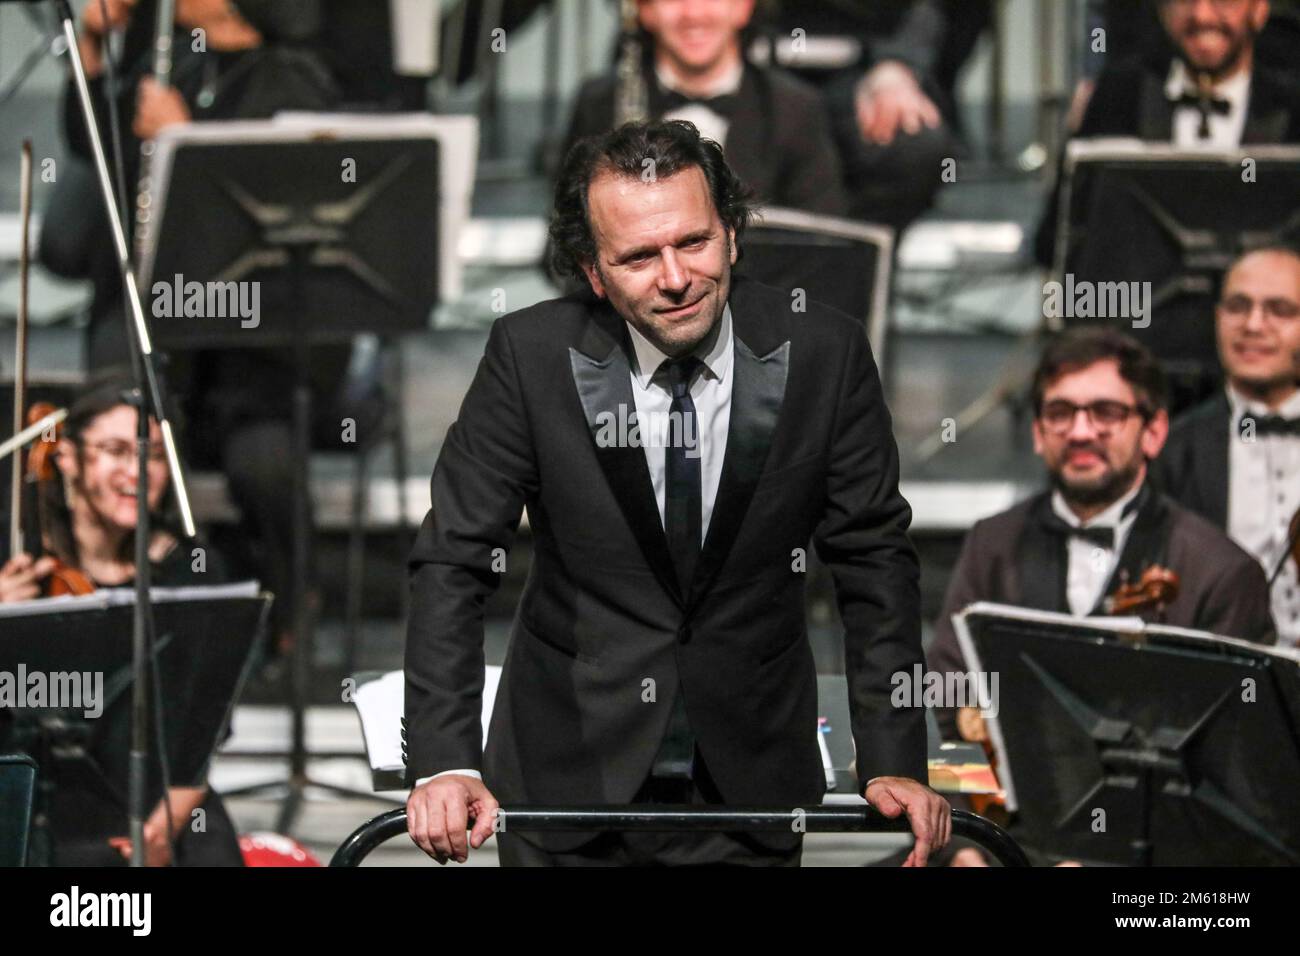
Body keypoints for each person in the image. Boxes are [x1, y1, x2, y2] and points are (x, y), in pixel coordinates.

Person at [404, 120, 949, 866]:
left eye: (693, 242)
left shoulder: (827, 351)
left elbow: (875, 560)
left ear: (730, 234)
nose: (674, 277)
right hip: (568, 781)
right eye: (637, 256)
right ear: (593, 272)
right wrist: (444, 760)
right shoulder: (529, 357)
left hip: (749, 786)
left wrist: (893, 757)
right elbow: (453, 559)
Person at [43, 0, 346, 652]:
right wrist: (95, 50)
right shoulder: (167, 56)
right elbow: (90, 144)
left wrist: (186, 138)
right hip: (161, 308)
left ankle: (291, 595)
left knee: (263, 462)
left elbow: (276, 205)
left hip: (253, 331)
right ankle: (133, 601)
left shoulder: (292, 78)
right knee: (123, 425)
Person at [0, 372, 244, 866]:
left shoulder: (191, 569)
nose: (136, 471)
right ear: (67, 456)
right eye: (114, 449)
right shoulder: (16, 561)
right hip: (39, 791)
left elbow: (209, 725)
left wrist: (160, 830)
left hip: (163, 796)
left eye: (151, 455)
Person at [1035, 0, 1300, 265]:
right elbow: (1054, 244)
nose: (1202, 16)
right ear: (1162, 11)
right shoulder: (1119, 96)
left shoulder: (1292, 108)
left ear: (1259, 10)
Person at [561, 0, 847, 218]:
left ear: (744, 7)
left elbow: (820, 245)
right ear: (643, 10)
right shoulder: (599, 103)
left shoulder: (796, 109)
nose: (693, 14)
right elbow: (564, 241)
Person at [1153, 246, 1300, 647]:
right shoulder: (1172, 449)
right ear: (1217, 319)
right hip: (1221, 683)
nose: (1253, 324)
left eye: (1280, 310)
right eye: (1238, 307)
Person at [763, 0, 982, 231]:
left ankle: (855, 253)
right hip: (748, 52)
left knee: (912, 142)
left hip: (867, 59)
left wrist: (898, 64)